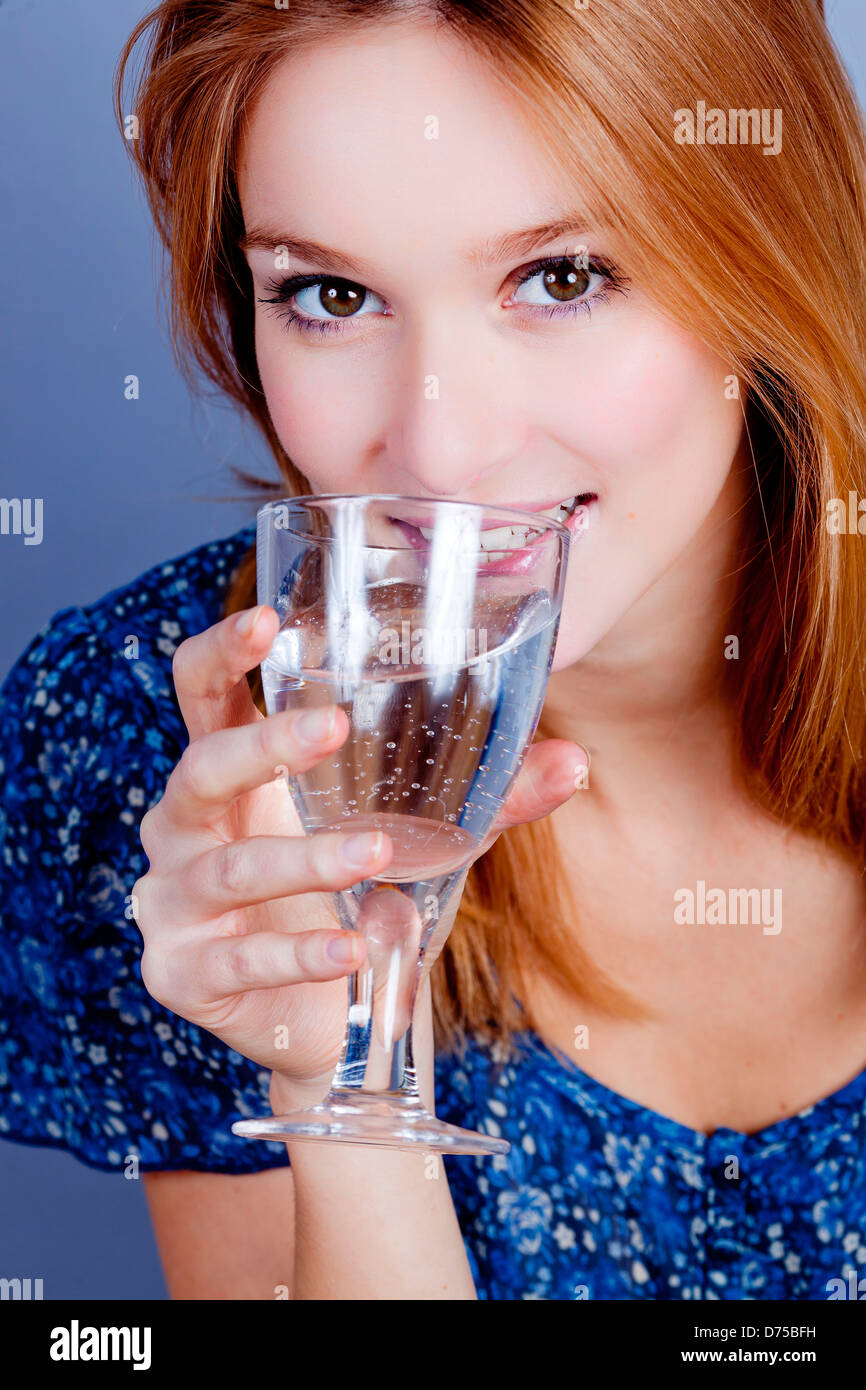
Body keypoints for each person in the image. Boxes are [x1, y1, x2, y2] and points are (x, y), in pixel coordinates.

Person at [2, 0, 865, 1300]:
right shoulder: (163, 751)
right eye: (331, 295)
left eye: (561, 278)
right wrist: (334, 1074)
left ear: (765, 256)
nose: (441, 452)